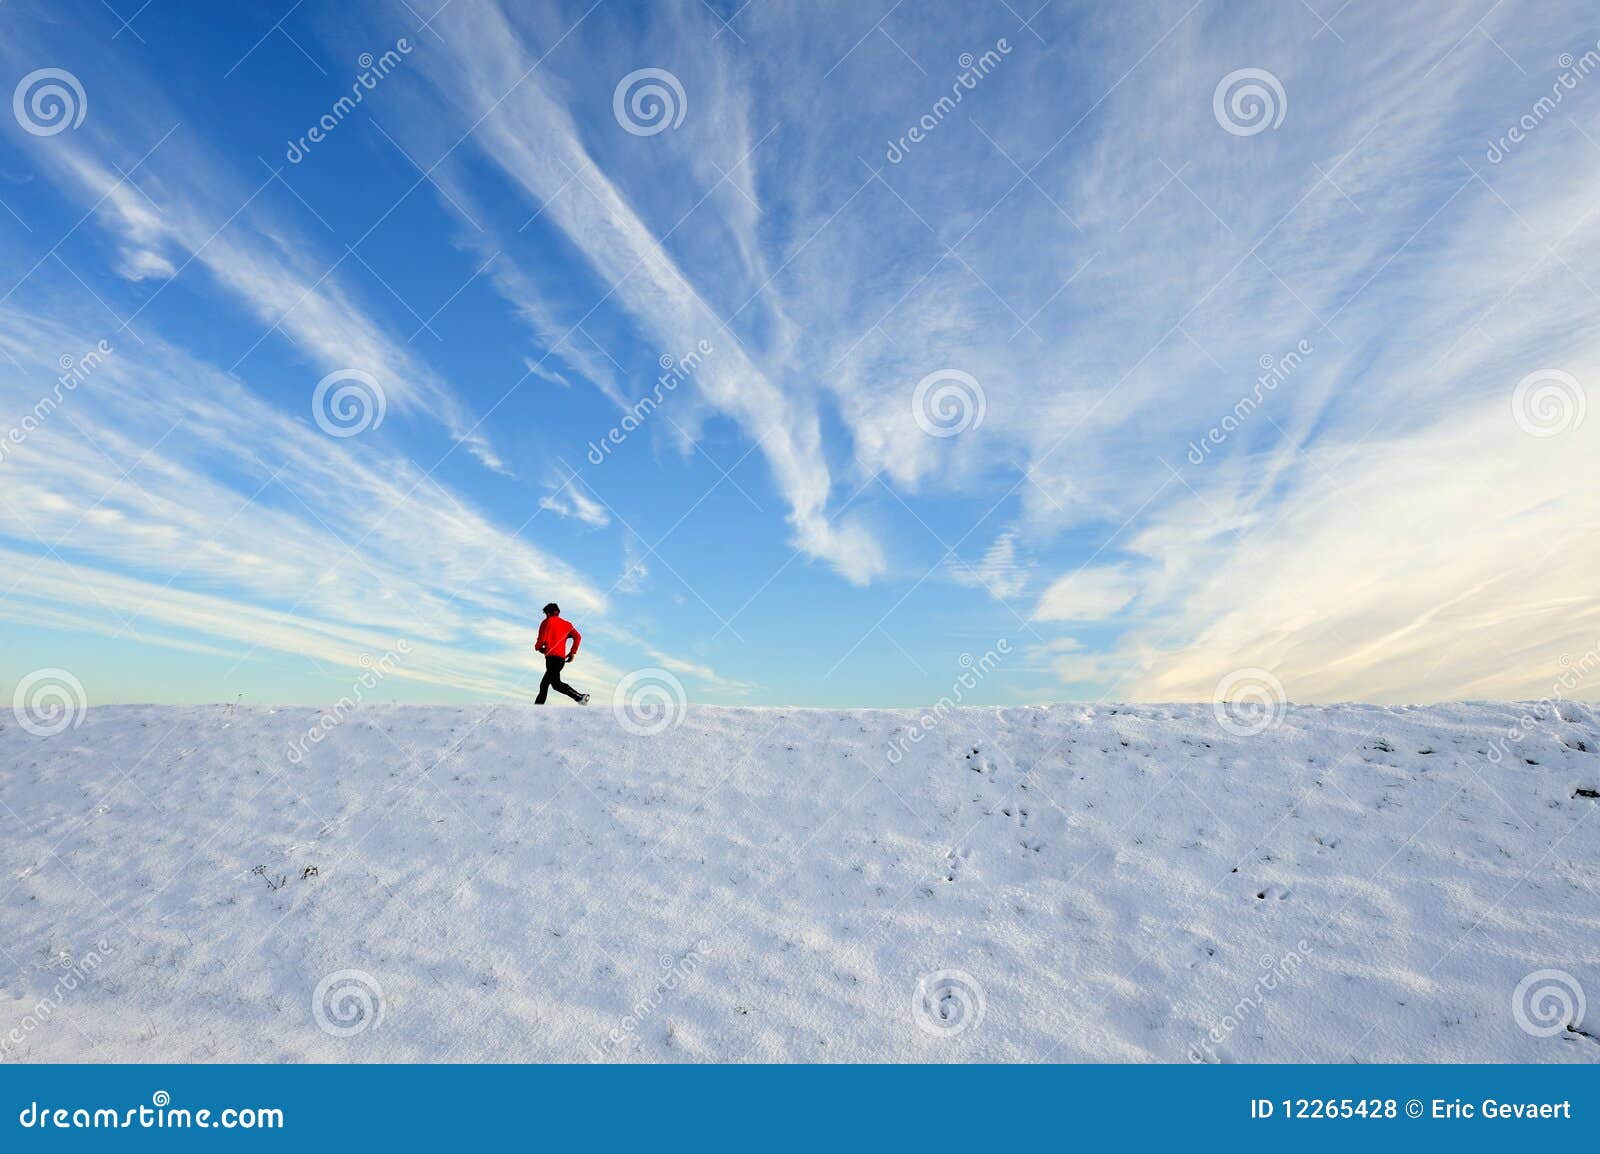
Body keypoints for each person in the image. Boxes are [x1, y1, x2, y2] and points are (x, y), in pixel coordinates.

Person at [534, 602, 589, 705]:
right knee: (556, 684)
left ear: (548, 613)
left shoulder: (546, 622)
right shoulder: (567, 624)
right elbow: (578, 637)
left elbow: (541, 640)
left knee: (544, 684)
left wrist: (538, 647)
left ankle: (537, 708)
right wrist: (572, 653)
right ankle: (580, 697)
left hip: (551, 659)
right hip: (560, 660)